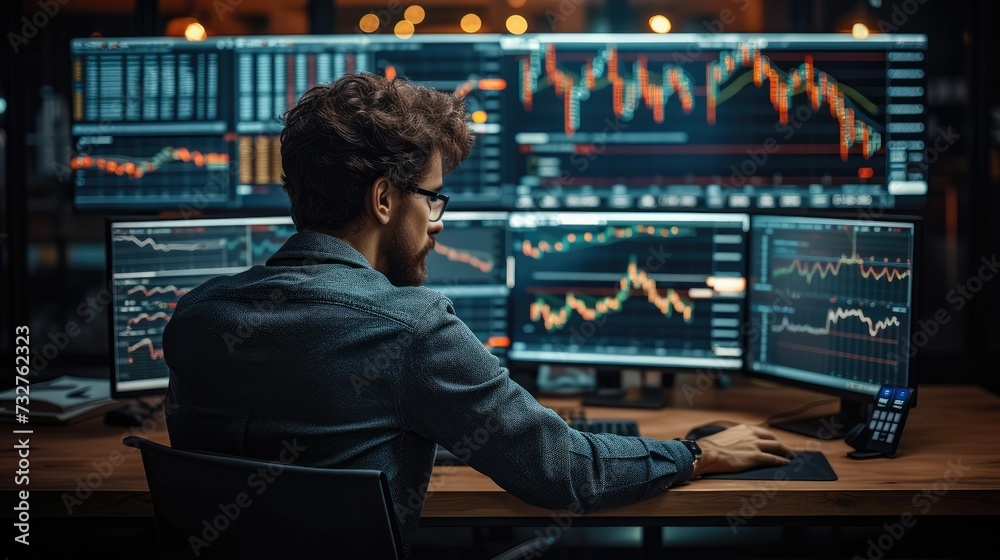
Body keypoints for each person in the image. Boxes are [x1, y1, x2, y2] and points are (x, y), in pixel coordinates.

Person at [162, 73, 795, 557]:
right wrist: (696, 455)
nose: (438, 224)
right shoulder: (410, 329)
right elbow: (564, 472)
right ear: (384, 198)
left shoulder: (196, 318)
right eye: (433, 199)